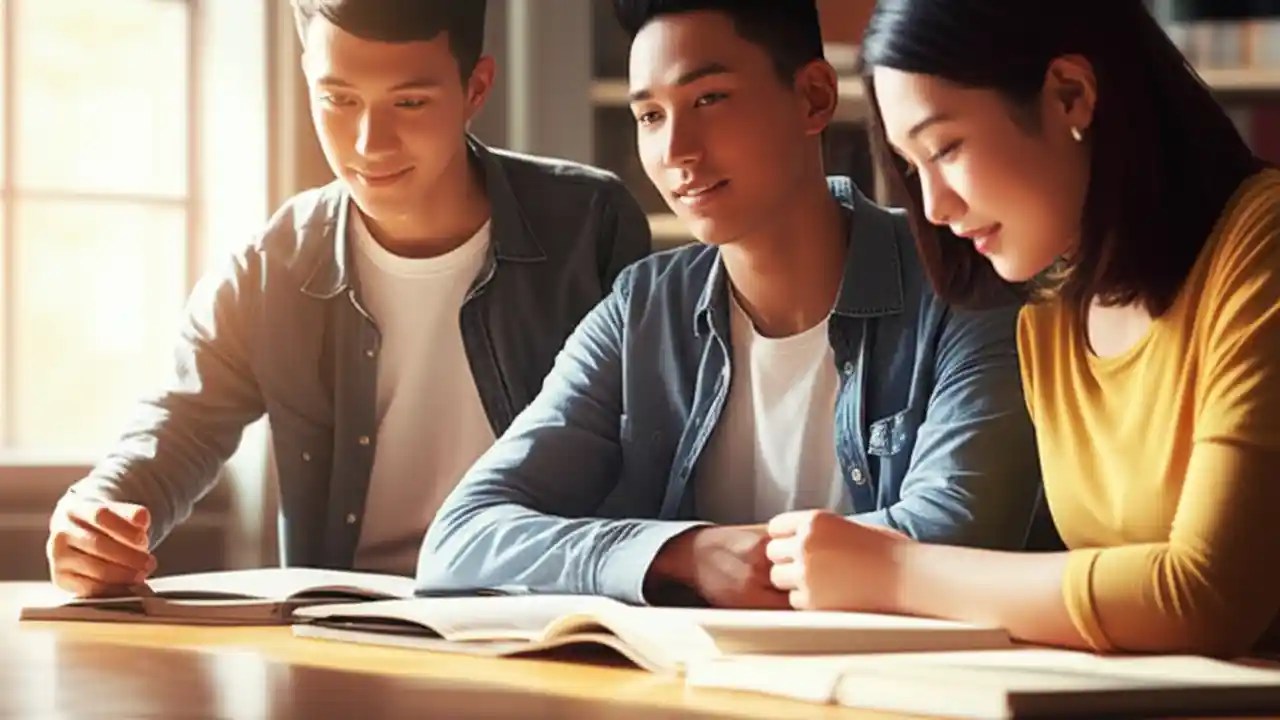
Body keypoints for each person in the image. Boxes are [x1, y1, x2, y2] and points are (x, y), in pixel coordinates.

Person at [418, 0, 1041, 609]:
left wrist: (753, 562)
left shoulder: (959, 285)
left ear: (814, 98)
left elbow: (959, 534)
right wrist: (682, 556)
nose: (676, 151)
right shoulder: (641, 314)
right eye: (651, 117)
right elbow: (462, 538)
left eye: (709, 100)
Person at [46, 0, 651, 596]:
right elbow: (180, 427)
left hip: (543, 606)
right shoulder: (270, 268)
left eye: (409, 102)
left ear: (476, 88)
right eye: (338, 100)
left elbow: (651, 444)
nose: (370, 143)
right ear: (308, 77)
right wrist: (96, 513)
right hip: (348, 622)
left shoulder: (588, 224)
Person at [765, 0, 1280, 656]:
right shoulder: (1050, 309)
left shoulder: (1262, 250)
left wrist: (891, 570)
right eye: (912, 166)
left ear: (1070, 95)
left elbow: (1206, 595)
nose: (935, 206)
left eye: (946, 147)